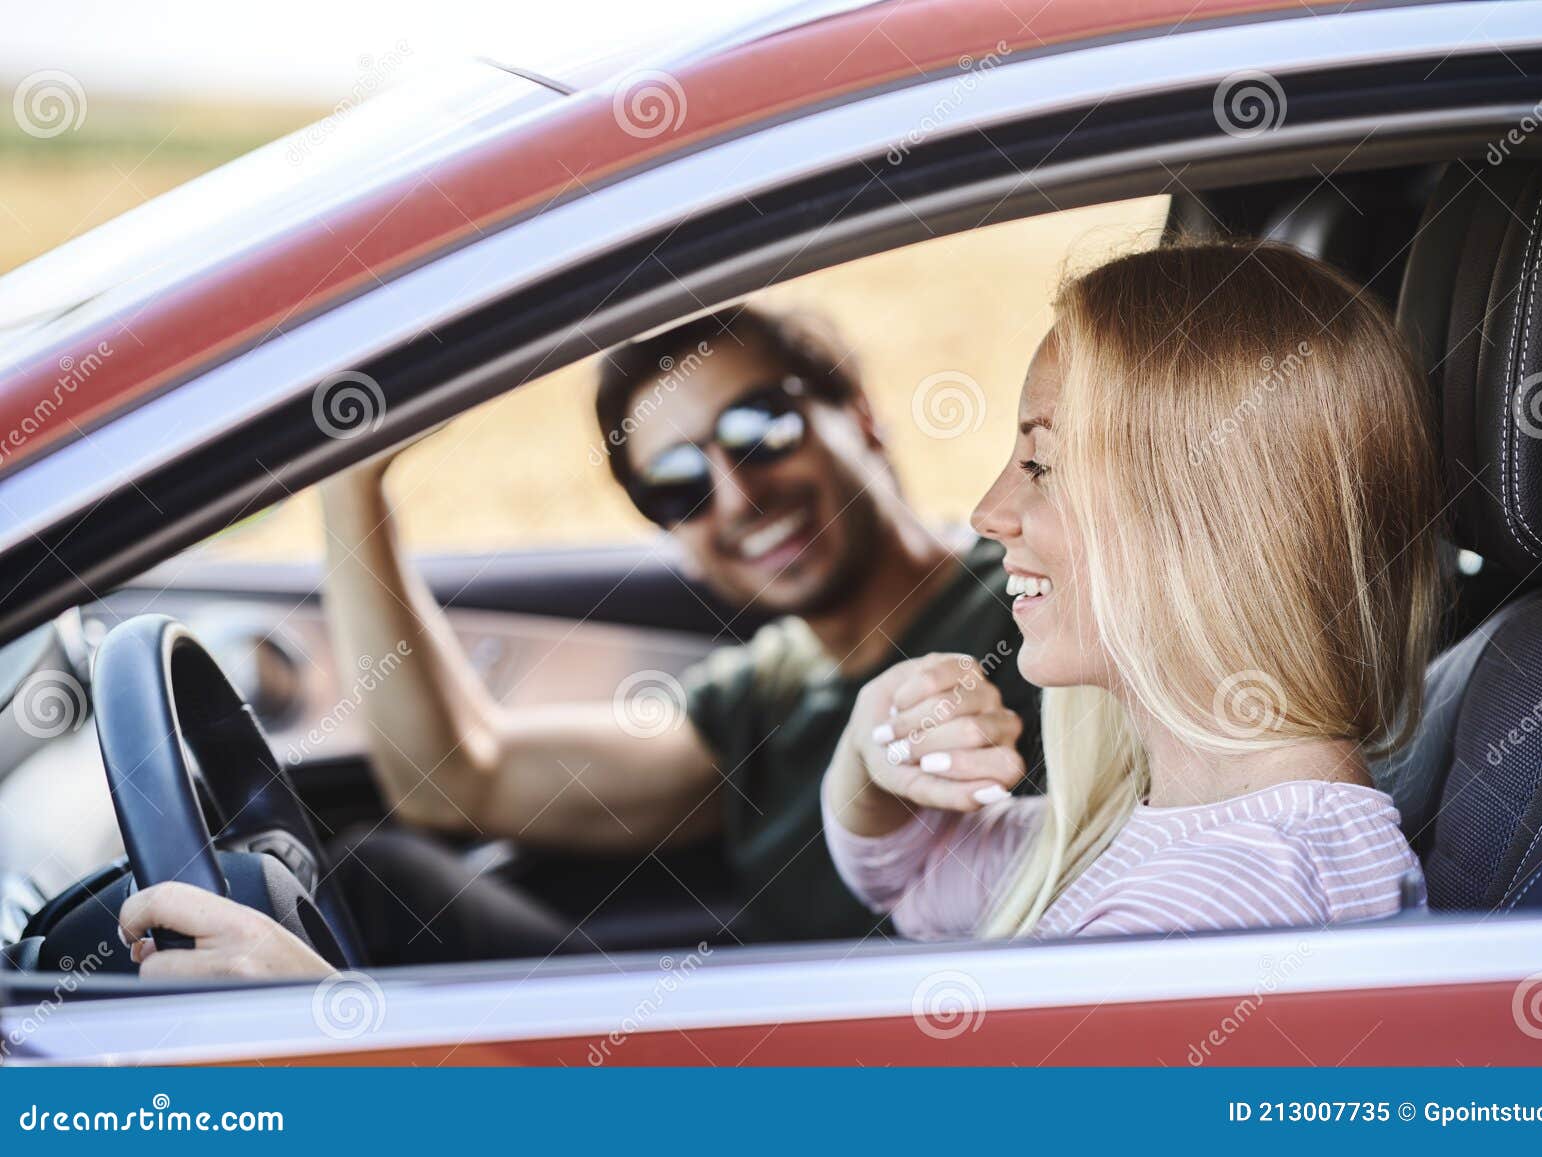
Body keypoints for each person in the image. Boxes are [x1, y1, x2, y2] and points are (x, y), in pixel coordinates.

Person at [116, 305, 1040, 977]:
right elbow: (454, 778)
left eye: (760, 430)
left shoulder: (1038, 601)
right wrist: (354, 484)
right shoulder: (767, 692)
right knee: (380, 876)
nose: (737, 496)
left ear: (859, 413)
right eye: (678, 486)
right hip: (770, 1060)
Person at [819, 239, 1437, 940]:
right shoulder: (1148, 836)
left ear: (1218, 519)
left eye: (1043, 465)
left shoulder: (1220, 906)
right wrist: (875, 743)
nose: (987, 513)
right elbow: (912, 879)